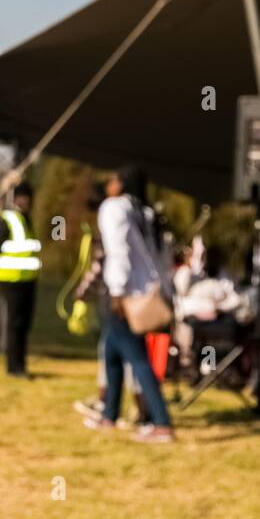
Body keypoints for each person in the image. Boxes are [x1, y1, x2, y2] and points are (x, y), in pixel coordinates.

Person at [88, 166, 174, 443]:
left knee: (137, 358)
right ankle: (109, 415)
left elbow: (118, 250)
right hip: (145, 289)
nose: (107, 184)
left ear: (121, 184)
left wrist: (116, 291)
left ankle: (161, 422)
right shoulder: (143, 211)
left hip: (126, 293)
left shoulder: (114, 208)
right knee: (112, 351)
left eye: (112, 179)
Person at [0, 181, 40, 377]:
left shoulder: (27, 219)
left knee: (24, 323)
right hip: (11, 279)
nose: (26, 201)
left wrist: (58, 222)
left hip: (28, 278)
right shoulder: (9, 219)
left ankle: (20, 363)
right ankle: (14, 366)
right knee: (15, 323)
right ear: (16, 199)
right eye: (22, 197)